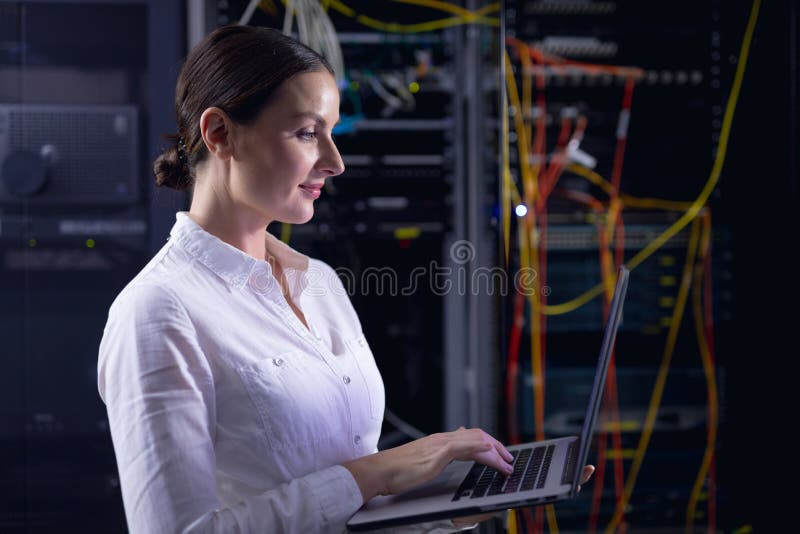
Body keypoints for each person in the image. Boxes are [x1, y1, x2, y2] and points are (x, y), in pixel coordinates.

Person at [97, 24, 593, 533]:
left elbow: (348, 509)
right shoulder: (158, 312)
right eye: (308, 132)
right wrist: (377, 472)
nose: (334, 162)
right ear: (220, 133)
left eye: (331, 132)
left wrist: (446, 503)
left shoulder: (318, 283)